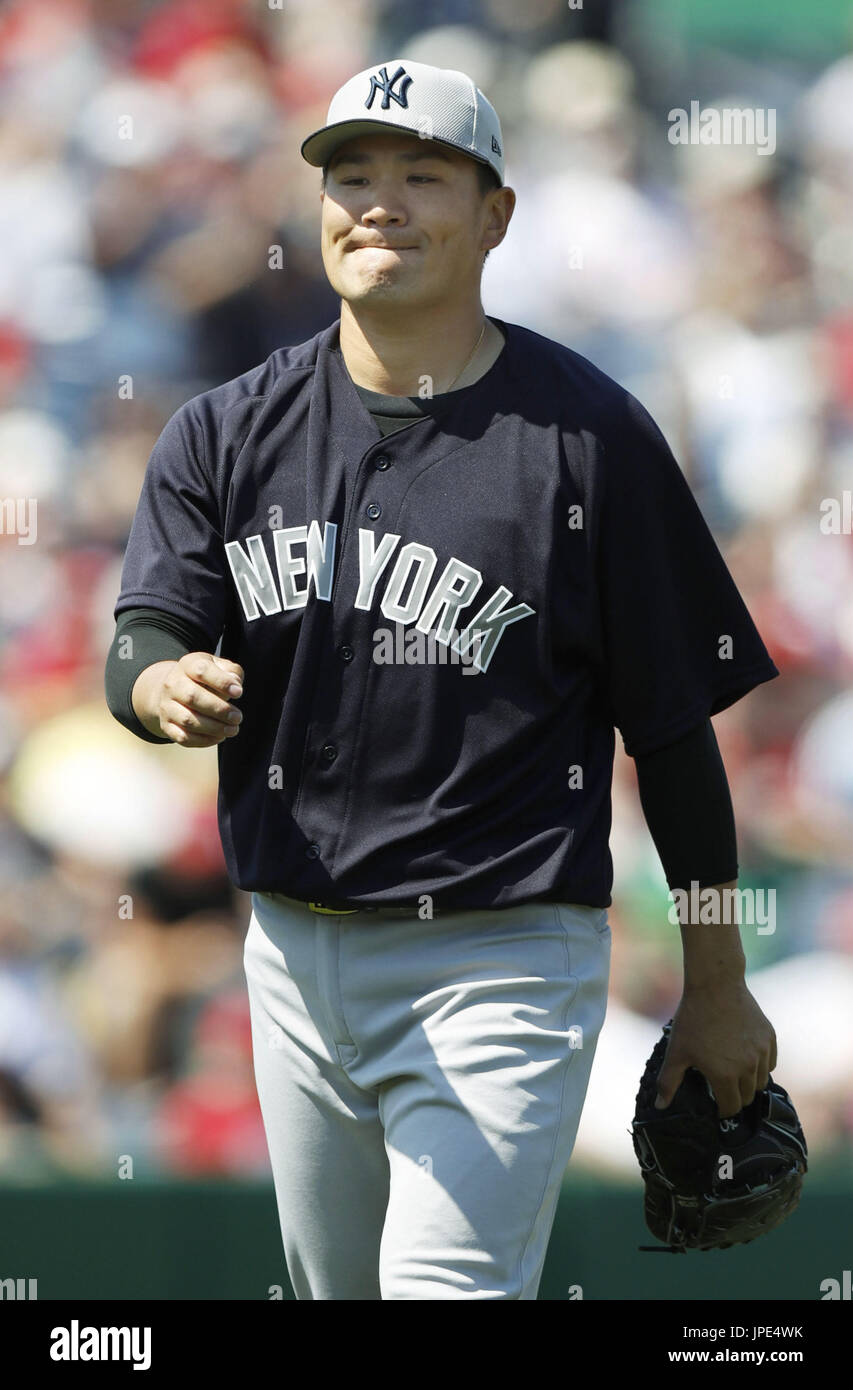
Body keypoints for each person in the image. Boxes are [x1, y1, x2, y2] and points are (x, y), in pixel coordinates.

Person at [105, 59, 779, 1300]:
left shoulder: (590, 438)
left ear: (495, 215)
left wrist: (718, 986)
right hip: (293, 949)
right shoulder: (225, 429)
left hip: (503, 953)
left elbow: (676, 737)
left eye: (424, 174)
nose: (381, 202)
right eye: (352, 175)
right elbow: (143, 634)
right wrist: (154, 689)